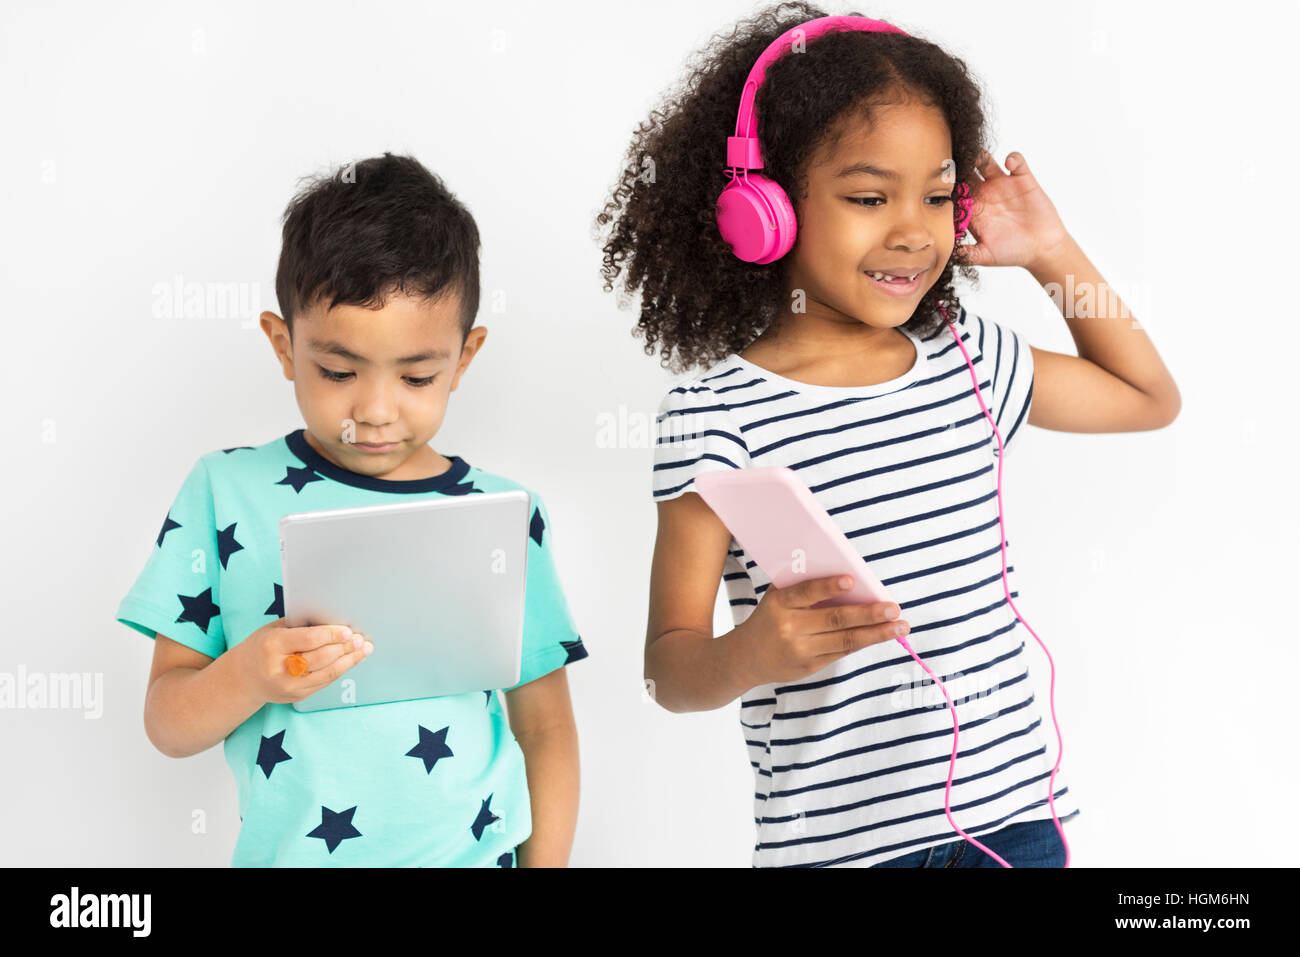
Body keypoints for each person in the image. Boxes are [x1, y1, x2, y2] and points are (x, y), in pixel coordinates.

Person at [595, 3, 1180, 867]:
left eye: (939, 195)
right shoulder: (714, 417)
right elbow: (667, 670)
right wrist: (751, 653)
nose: (914, 230)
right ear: (764, 211)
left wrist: (1052, 248)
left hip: (1012, 824)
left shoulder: (968, 358)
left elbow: (1146, 396)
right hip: (841, 853)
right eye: (870, 197)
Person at [116, 153, 589, 867]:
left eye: (417, 375)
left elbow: (546, 726)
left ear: (464, 359)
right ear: (284, 345)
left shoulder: (503, 512)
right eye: (337, 371)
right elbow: (166, 722)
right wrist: (251, 674)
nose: (373, 410)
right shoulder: (225, 491)